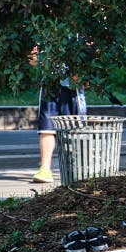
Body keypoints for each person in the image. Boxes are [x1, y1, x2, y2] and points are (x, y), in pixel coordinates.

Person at [29, 47, 87, 183]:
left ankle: (78, 169)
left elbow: (91, 53)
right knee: (46, 128)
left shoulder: (80, 37)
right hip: (50, 85)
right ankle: (45, 169)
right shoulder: (44, 36)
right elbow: (32, 60)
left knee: (77, 128)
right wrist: (36, 57)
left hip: (74, 87)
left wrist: (83, 74)